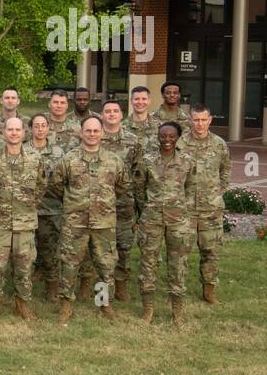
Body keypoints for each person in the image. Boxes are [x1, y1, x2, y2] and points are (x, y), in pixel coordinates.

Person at [47, 116, 128, 324]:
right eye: (88, 131)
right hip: (75, 222)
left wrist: (104, 203)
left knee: (105, 264)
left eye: (96, 131)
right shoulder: (69, 159)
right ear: (81, 133)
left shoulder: (113, 160)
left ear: (102, 133)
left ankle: (103, 303)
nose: (92, 134)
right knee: (69, 264)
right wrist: (73, 203)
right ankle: (66, 304)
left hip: (104, 223)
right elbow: (56, 185)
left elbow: (122, 186)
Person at [0, 117, 44, 321]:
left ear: (24, 133)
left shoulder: (35, 158)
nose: (14, 133)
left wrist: (26, 205)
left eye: (18, 129)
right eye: (10, 129)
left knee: (24, 266)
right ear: (4, 132)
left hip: (25, 223)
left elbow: (41, 186)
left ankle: (22, 304)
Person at [136, 122, 196, 327]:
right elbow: (139, 189)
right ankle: (148, 309)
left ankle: (177, 311)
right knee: (148, 264)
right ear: (158, 136)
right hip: (151, 220)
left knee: (178, 265)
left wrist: (183, 211)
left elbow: (191, 188)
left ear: (178, 137)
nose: (167, 140)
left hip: (178, 221)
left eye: (171, 136)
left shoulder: (187, 161)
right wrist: (147, 209)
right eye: (163, 136)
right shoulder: (147, 160)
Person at [184, 103, 231, 305]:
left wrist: (216, 194)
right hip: (185, 209)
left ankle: (209, 290)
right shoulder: (180, 143)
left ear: (210, 120)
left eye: (204, 119)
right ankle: (177, 291)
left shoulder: (219, 144)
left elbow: (225, 172)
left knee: (210, 251)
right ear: (190, 120)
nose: (200, 124)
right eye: (196, 119)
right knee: (179, 252)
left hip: (210, 210)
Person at [98, 100, 143, 301]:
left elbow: (138, 174)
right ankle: (100, 293)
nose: (112, 114)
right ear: (102, 114)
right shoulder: (94, 136)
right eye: (108, 111)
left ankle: (121, 284)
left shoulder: (133, 141)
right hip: (97, 207)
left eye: (116, 111)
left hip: (124, 205)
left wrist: (139, 207)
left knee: (123, 248)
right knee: (99, 252)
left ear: (121, 114)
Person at [26, 114, 66, 300]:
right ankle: (25, 288)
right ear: (31, 128)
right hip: (27, 209)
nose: (40, 129)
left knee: (50, 249)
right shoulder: (23, 150)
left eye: (43, 125)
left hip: (51, 208)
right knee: (26, 251)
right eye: (36, 125)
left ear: (48, 128)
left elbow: (64, 179)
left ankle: (52, 287)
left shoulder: (59, 152)